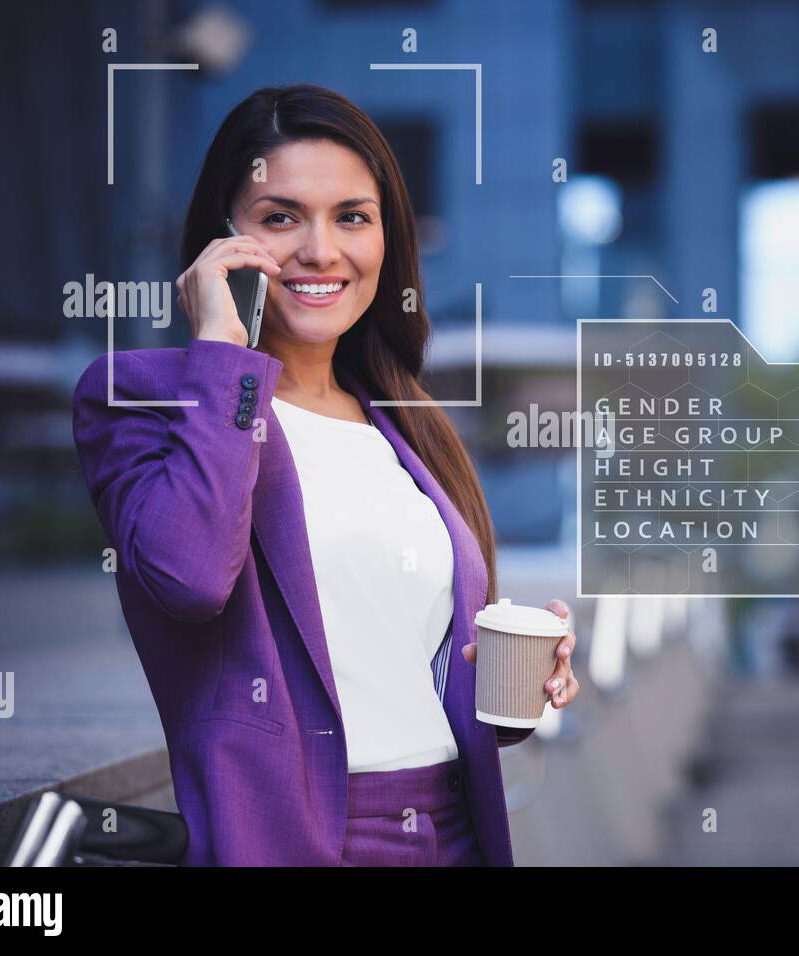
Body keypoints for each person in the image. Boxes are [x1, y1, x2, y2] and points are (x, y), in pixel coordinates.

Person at [70, 83, 580, 866]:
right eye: (280, 217)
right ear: (222, 243)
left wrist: (512, 693)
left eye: (352, 216)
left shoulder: (405, 422)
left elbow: (405, 682)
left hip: (454, 834)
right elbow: (191, 576)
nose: (320, 250)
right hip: (293, 840)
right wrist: (222, 353)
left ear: (388, 239)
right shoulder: (147, 399)